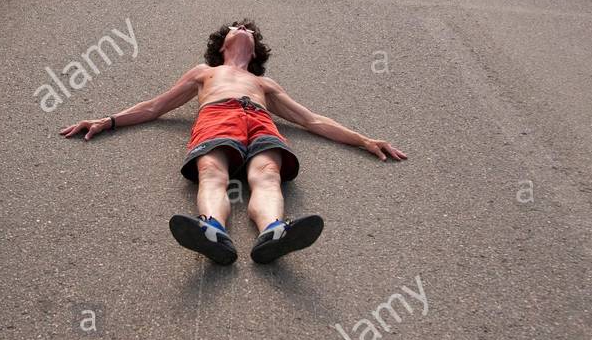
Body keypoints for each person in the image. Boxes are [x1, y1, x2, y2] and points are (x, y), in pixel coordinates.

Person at [61, 19, 407, 265]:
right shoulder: (204, 73)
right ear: (222, 44)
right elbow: (156, 106)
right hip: (218, 116)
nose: (243, 29)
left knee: (269, 173)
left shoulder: (265, 83)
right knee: (212, 170)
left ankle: (273, 231)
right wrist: (108, 121)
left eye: (249, 31)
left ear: (255, 50)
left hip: (259, 120)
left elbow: (310, 119)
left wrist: (364, 141)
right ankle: (212, 230)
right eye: (236, 28)